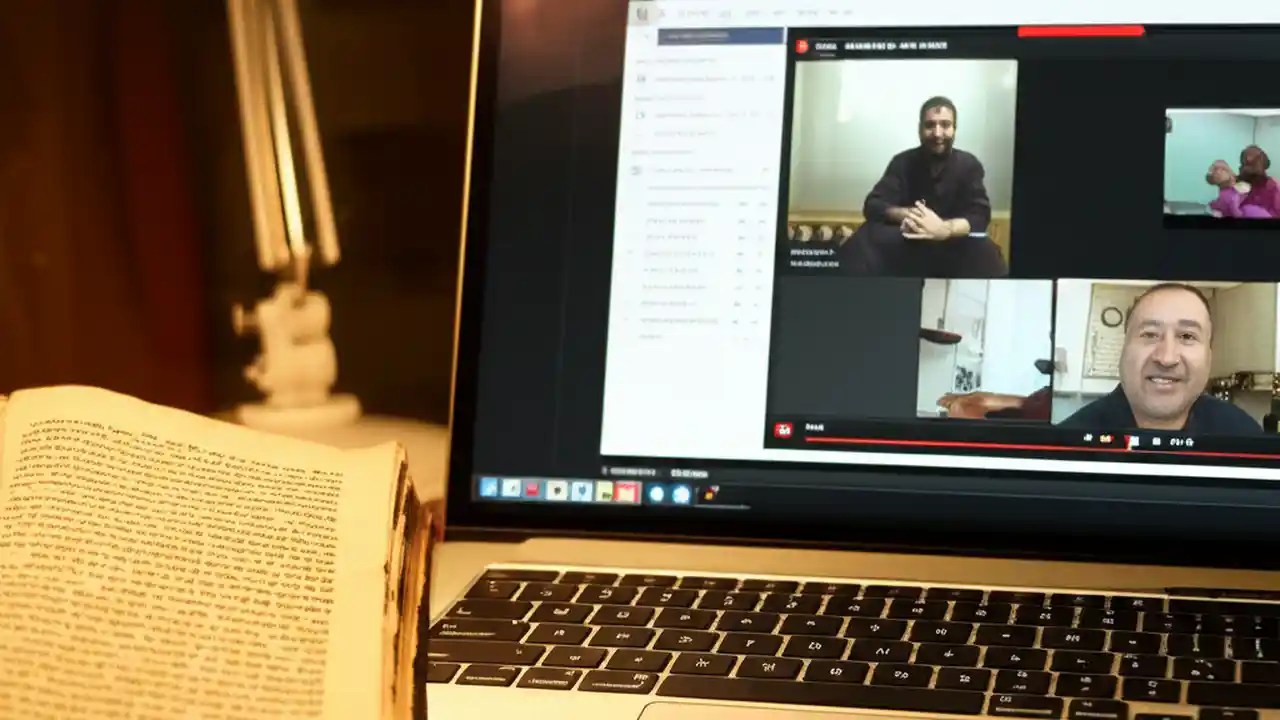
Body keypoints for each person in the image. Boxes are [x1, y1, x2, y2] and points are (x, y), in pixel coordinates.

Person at [1059, 283, 1261, 434]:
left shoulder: (1244, 434)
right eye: (1149, 335)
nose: (1166, 358)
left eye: (1187, 336)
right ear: (1124, 348)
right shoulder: (1066, 444)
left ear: (1210, 355)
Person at [841, 96, 1007, 277]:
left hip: (952, 245)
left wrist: (944, 229)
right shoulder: (902, 162)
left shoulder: (969, 164)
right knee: (864, 239)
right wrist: (913, 216)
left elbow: (980, 215)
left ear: (954, 129)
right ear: (920, 129)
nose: (937, 133)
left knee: (988, 254)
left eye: (945, 125)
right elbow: (873, 205)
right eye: (930, 125)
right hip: (908, 244)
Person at [1206, 159, 1274, 218]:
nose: (1219, 172)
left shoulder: (1234, 192)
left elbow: (1236, 213)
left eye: (1222, 170)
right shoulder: (1230, 194)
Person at [1239, 145, 1280, 218]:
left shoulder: (1274, 186)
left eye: (1256, 159)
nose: (1249, 159)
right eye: (1246, 159)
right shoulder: (1237, 186)